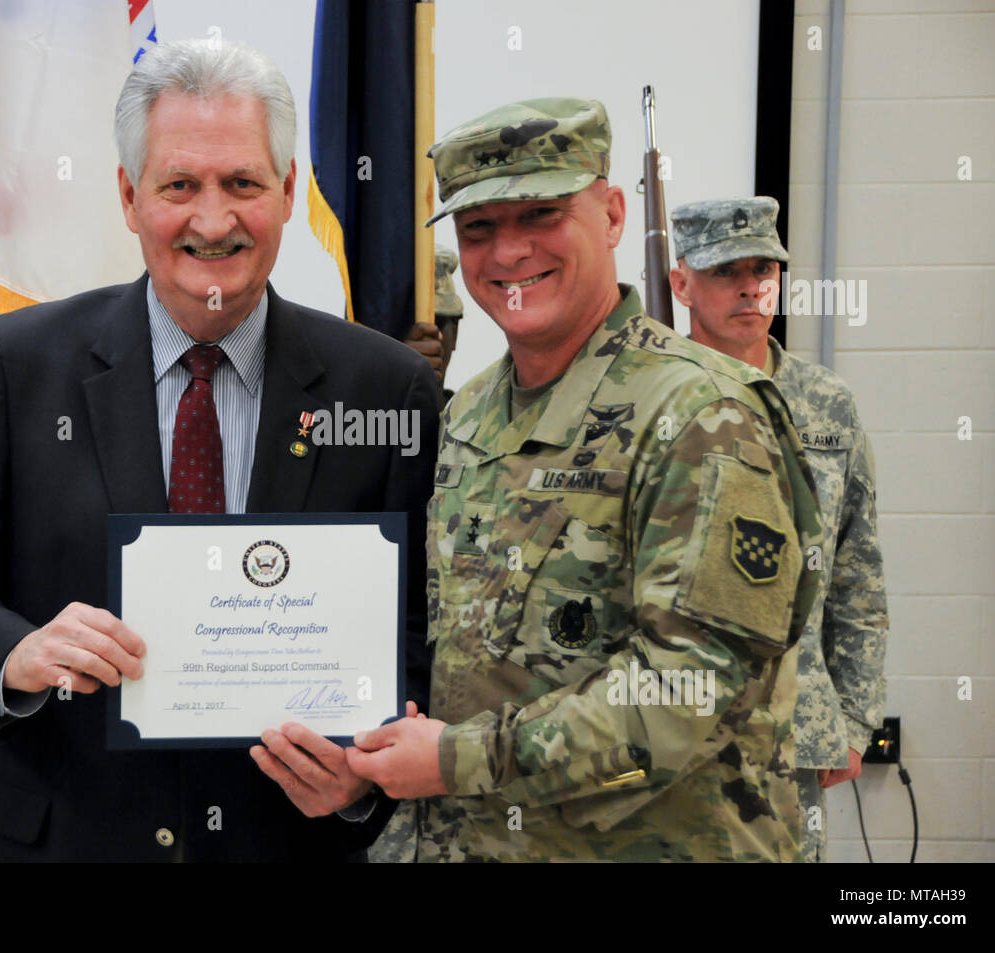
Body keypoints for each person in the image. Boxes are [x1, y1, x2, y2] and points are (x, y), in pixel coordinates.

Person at [0, 39, 438, 862]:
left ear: (285, 192)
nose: (213, 220)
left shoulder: (382, 388)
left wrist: (363, 779)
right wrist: (14, 652)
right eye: (180, 185)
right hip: (57, 841)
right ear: (130, 196)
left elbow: (420, 631)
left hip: (280, 845)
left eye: (243, 182)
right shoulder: (16, 365)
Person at [346, 98, 823, 862]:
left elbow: (684, 693)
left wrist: (453, 760)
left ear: (610, 214)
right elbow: (458, 665)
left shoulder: (703, 414)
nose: (508, 253)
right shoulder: (469, 412)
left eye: (541, 213)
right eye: (479, 228)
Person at [668, 196, 888, 863]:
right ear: (681, 283)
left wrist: (854, 721)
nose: (750, 286)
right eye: (725, 269)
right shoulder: (650, 397)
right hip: (668, 727)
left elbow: (859, 576)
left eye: (763, 267)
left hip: (794, 732)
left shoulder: (827, 404)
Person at [403, 245, 464, 404]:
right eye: (408, 324)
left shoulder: (479, 424)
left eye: (438, 322)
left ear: (455, 334)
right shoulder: (350, 418)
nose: (425, 335)